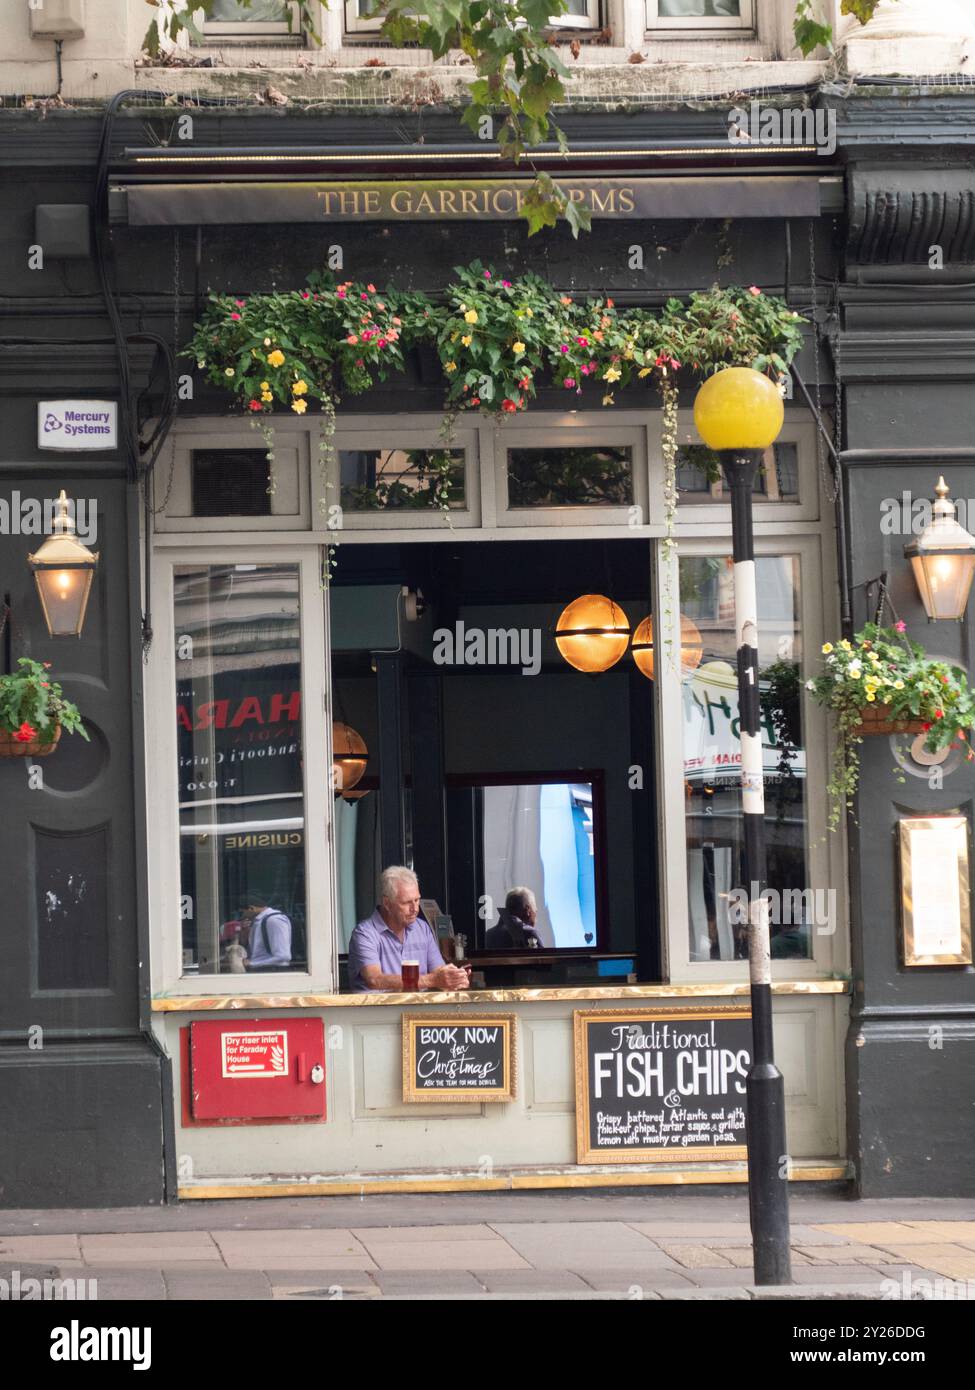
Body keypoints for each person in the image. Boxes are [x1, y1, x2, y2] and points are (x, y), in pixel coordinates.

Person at [348, 866, 470, 993]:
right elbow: (374, 979)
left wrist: (455, 979)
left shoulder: (422, 928)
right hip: (377, 1011)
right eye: (407, 903)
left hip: (415, 1010)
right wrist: (431, 980)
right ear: (387, 903)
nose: (415, 908)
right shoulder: (365, 934)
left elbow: (439, 972)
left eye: (417, 900)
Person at [243, 890, 293, 970]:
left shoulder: (274, 920)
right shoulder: (257, 921)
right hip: (262, 969)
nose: (243, 916)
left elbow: (283, 956)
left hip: (274, 970)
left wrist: (252, 963)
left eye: (243, 912)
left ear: (251, 908)